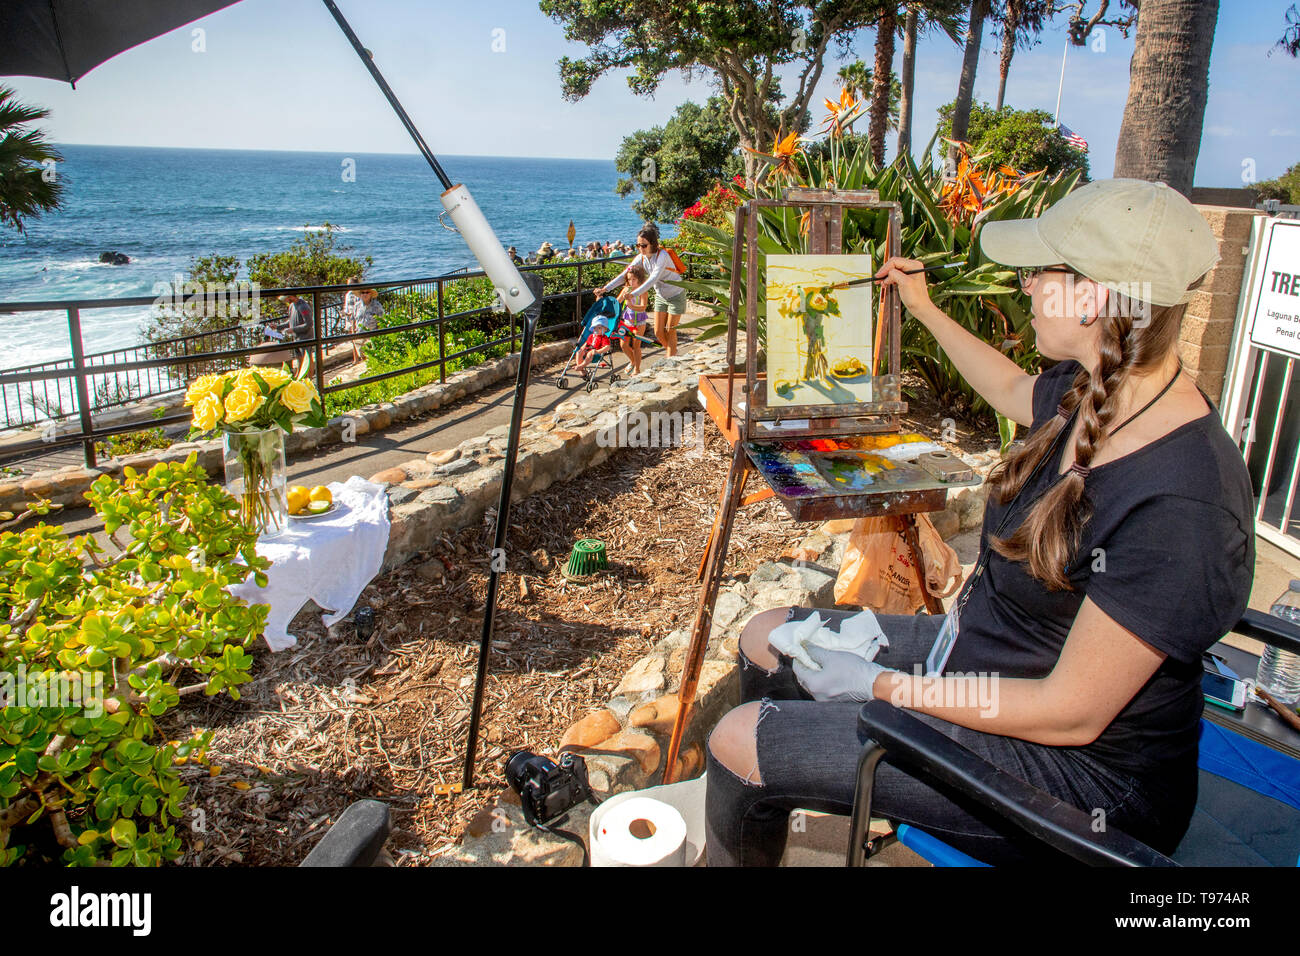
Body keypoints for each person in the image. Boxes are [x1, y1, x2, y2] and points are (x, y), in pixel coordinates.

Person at [704, 179, 1256, 867]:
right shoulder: (1100, 387)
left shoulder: (1183, 503)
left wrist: (878, 686)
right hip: (982, 658)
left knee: (735, 740)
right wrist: (924, 308)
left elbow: (1069, 710)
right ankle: (804, 790)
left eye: (1037, 273)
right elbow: (1007, 387)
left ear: (1088, 297)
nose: (1024, 287)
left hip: (1079, 784)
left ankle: (778, 781)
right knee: (765, 637)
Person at [594, 223, 686, 356]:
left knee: (670, 329)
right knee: (658, 332)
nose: (640, 248)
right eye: (638, 245)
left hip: (676, 294)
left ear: (653, 244)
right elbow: (625, 275)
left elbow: (653, 279)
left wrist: (633, 294)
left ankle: (670, 358)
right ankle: (673, 354)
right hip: (661, 295)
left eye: (644, 245)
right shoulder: (641, 258)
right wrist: (605, 289)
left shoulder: (662, 256)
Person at [613, 262, 650, 374]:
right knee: (623, 345)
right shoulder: (626, 290)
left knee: (636, 345)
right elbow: (617, 302)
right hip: (627, 321)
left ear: (639, 279)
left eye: (634, 279)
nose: (631, 282)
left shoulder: (642, 291)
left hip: (639, 321)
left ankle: (637, 369)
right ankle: (633, 361)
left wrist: (631, 305)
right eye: (629, 279)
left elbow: (643, 307)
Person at [277, 293, 314, 375]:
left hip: (305, 337)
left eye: (286, 298)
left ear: (291, 296)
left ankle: (309, 378)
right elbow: (291, 321)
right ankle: (300, 376)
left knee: (307, 359)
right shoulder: (291, 306)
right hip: (296, 337)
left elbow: (308, 324)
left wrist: (293, 329)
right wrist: (278, 327)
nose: (285, 301)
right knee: (299, 358)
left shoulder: (303, 306)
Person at [343, 277, 364, 363]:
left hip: (355, 319)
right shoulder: (348, 294)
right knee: (352, 340)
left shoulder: (358, 294)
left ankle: (361, 358)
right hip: (349, 319)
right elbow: (347, 306)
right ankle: (355, 359)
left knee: (359, 340)